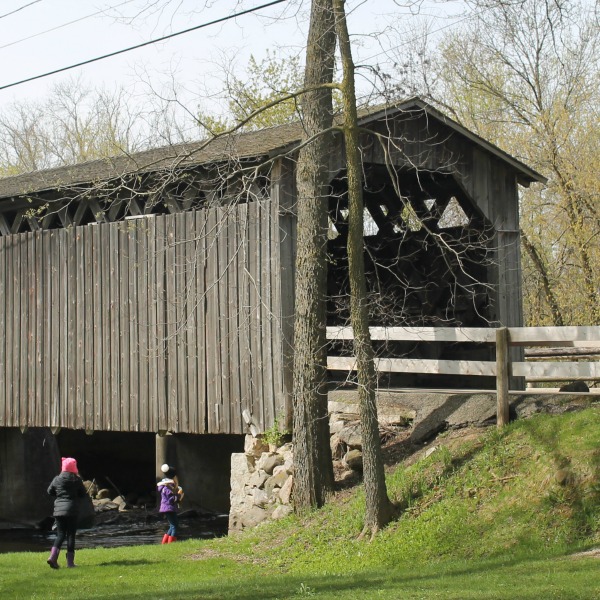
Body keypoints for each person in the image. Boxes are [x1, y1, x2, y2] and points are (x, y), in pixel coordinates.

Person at [46, 457, 87, 569]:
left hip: (58, 510)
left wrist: (59, 494)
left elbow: (49, 491)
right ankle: (70, 563)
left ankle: (53, 557)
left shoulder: (57, 479)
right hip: (72, 510)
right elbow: (83, 494)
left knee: (60, 534)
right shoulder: (76, 480)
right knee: (70, 536)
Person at [157, 463, 184, 544]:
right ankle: (171, 544)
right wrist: (179, 496)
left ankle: (164, 543)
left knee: (172, 525)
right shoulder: (169, 486)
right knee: (175, 526)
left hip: (167, 508)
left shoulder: (163, 485)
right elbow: (171, 499)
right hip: (169, 507)